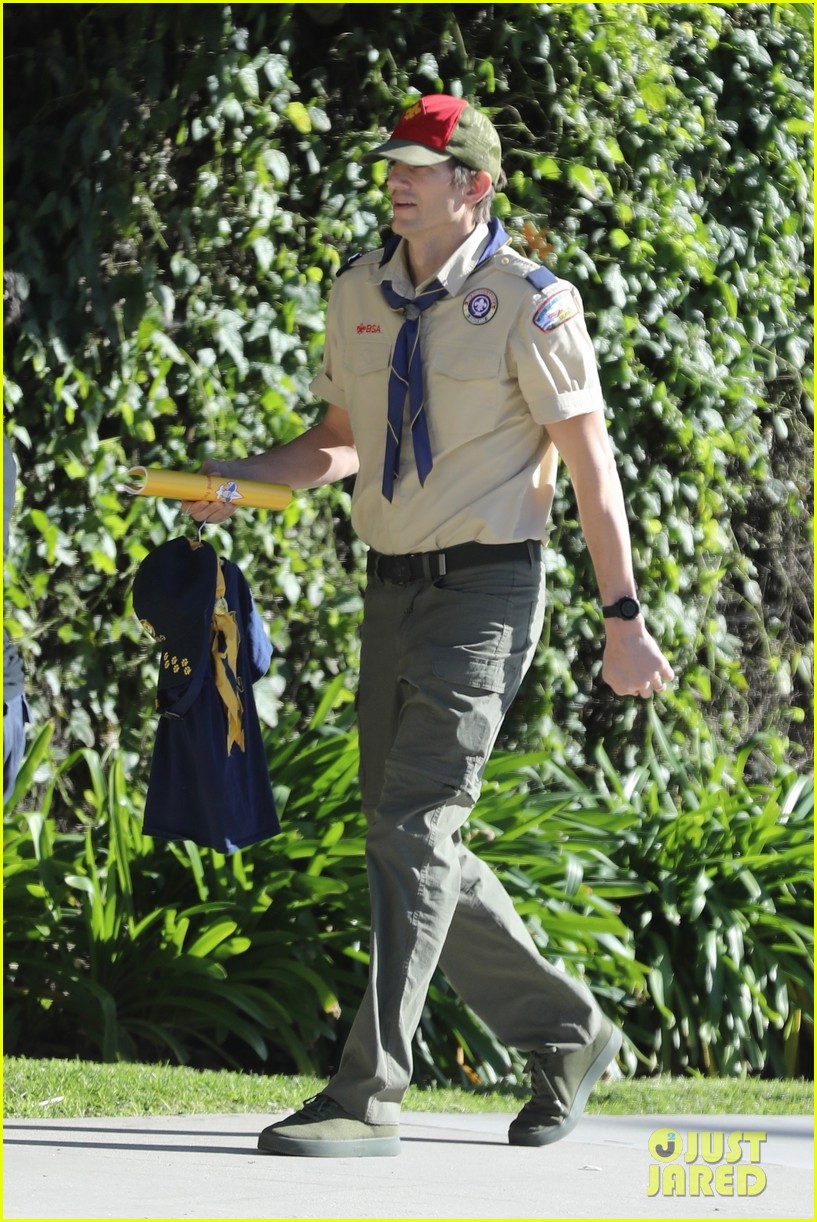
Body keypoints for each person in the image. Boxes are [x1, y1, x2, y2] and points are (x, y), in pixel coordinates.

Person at [184, 94, 674, 1158]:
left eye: (420, 166)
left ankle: (369, 1095)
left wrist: (621, 618)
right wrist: (234, 481)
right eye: (392, 163)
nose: (397, 179)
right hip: (389, 587)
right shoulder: (358, 290)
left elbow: (591, 469)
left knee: (415, 828)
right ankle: (567, 1032)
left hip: (489, 590)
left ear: (474, 188)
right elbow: (340, 441)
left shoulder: (531, 302)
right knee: (417, 841)